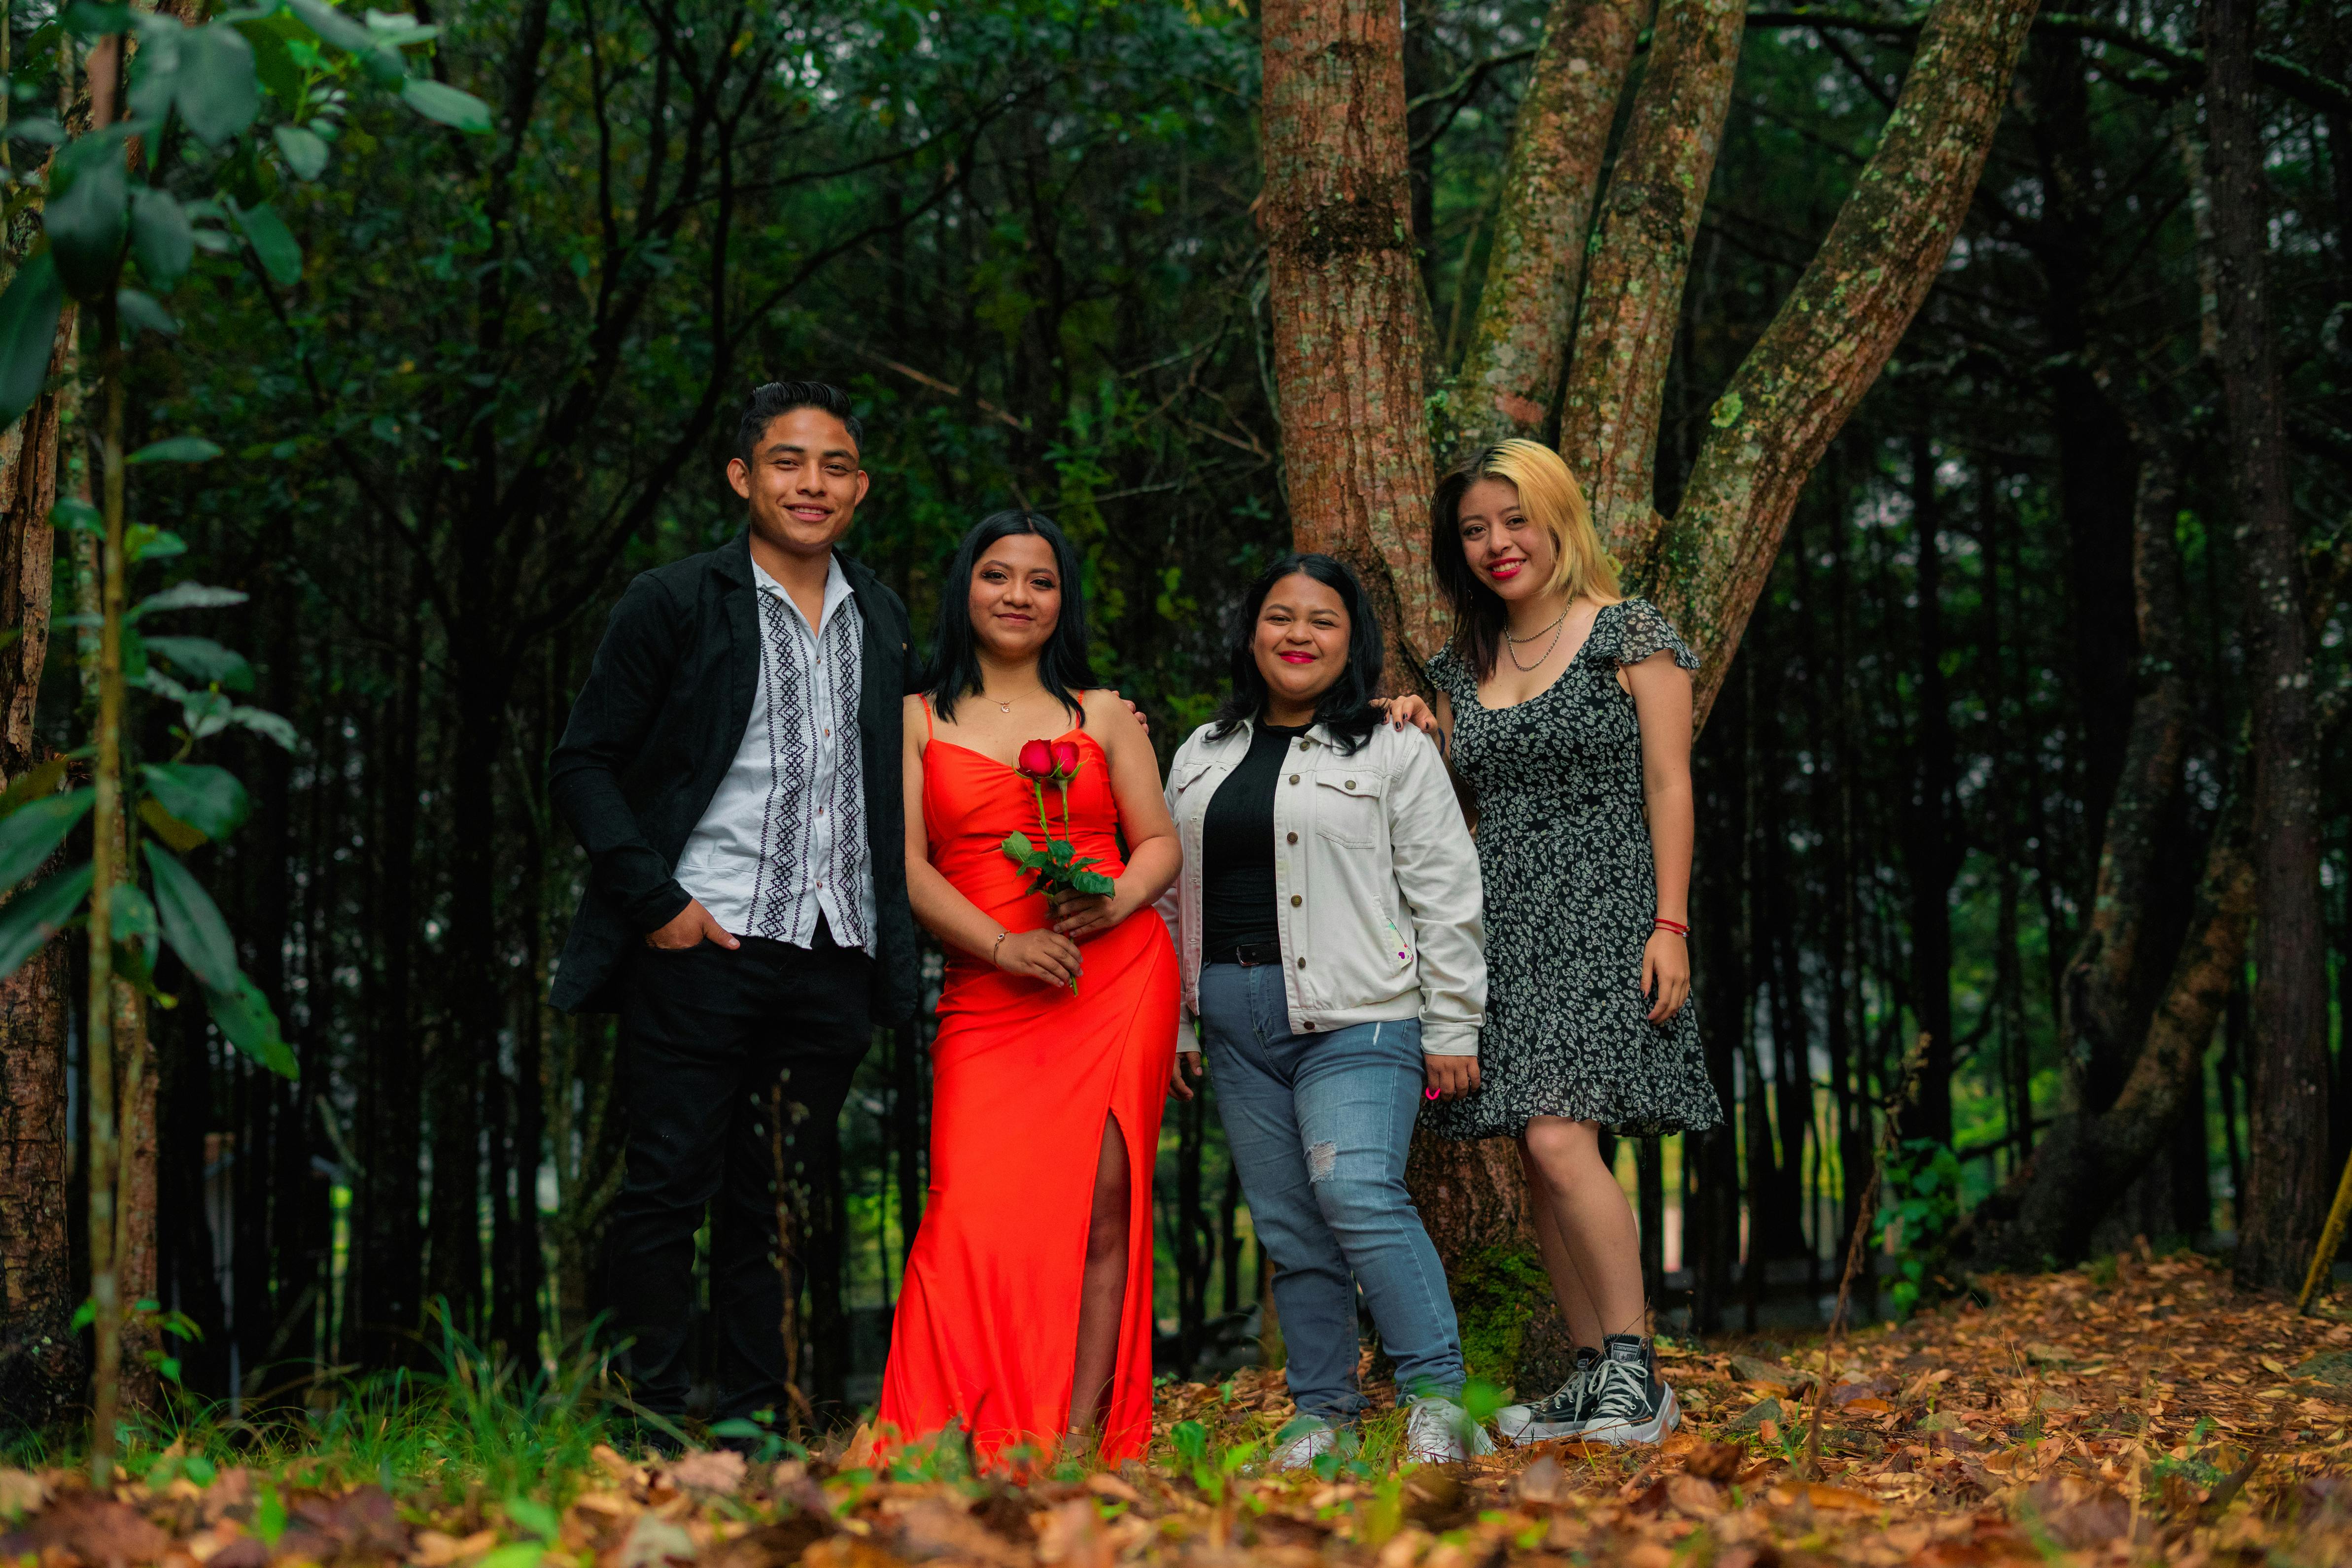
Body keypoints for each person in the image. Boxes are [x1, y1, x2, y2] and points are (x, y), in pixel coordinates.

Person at [547, 381, 921, 1439]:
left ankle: (764, 1435)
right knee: (667, 1190)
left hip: (832, 952)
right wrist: (656, 900)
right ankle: (649, 1430)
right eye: (788, 462)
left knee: (780, 1208)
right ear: (741, 476)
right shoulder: (674, 599)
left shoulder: (883, 616)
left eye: (834, 466)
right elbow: (583, 763)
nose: (812, 484)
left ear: (860, 488)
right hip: (699, 943)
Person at [1417, 439, 1721, 1448]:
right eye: (1475, 529)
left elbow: (1670, 783)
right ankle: (1592, 1375)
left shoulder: (1629, 633)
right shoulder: (1459, 665)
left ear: (1557, 517)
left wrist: (1670, 924)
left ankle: (1637, 1372)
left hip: (1607, 917)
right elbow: (1448, 809)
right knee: (1538, 1148)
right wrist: (1414, 729)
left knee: (1556, 1137)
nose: (1497, 543)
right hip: (1499, 932)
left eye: (1515, 520)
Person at [1159, 552, 1492, 1468]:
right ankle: (1323, 1415)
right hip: (1232, 1017)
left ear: (1353, 641)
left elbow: (1446, 888)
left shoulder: (1392, 746)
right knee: (1289, 1225)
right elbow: (1169, 897)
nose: (1298, 634)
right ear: (1251, 632)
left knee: (1356, 1192)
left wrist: (1454, 1023)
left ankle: (1439, 1398)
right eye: (1280, 616)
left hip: (1362, 1012)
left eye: (1322, 620)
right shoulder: (1200, 751)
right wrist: (1178, 1019)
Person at [877, 511, 1180, 1467]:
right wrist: (1002, 945)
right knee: (966, 1206)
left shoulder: (1103, 714)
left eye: (1040, 581)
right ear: (964, 589)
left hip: (1113, 974)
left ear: (1063, 600)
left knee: (1102, 1203)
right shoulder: (913, 717)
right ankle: (944, 1434)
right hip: (988, 986)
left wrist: (1115, 898)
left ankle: (1077, 1439)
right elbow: (907, 867)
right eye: (997, 575)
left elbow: (1159, 842)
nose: (1018, 595)